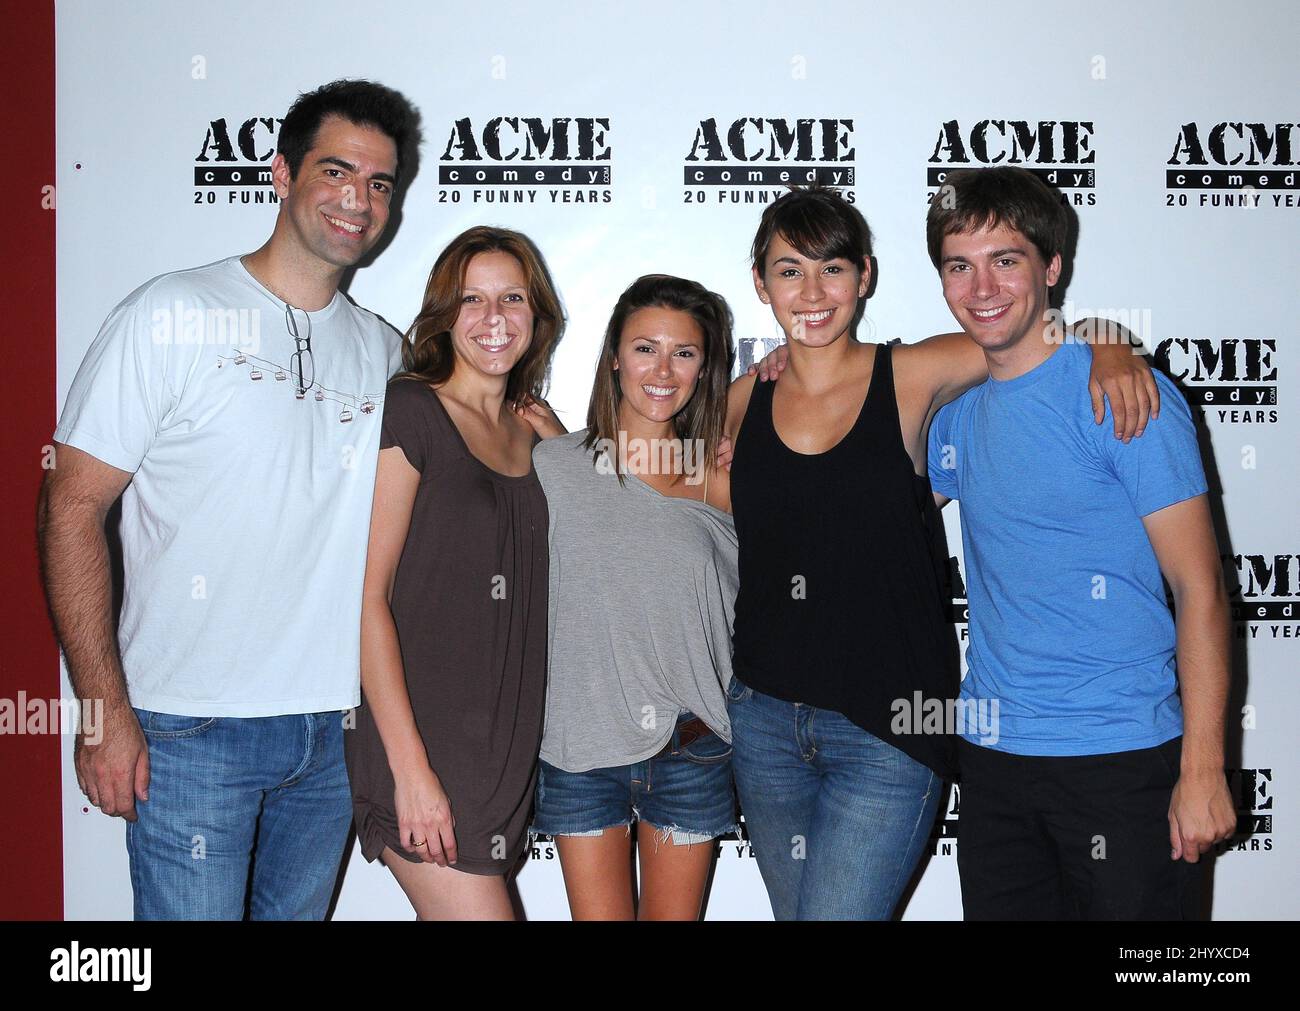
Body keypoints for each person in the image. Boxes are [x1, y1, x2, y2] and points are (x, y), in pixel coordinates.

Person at [37, 80, 421, 920]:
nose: (358, 201)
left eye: (380, 183)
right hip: (188, 728)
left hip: (332, 731)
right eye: (335, 171)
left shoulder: (386, 352)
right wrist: (101, 708)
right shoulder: (170, 313)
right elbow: (71, 507)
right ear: (281, 173)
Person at [727, 185, 1160, 920]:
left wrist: (1111, 340)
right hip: (764, 721)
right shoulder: (742, 400)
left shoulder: (915, 372)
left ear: (865, 275)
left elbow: (1032, 330)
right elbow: (661, 477)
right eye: (789, 270)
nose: (812, 291)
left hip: (890, 726)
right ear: (761, 284)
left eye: (832, 268)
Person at [924, 166, 1236, 919]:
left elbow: (1199, 588)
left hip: (1124, 761)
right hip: (995, 765)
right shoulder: (954, 417)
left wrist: (1203, 768)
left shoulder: (1126, 396)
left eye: (1006, 260)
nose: (982, 287)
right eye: (959, 266)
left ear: (1052, 267)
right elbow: (856, 509)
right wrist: (789, 369)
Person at [344, 226, 562, 920]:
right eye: (472, 298)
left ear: (537, 315)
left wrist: (563, 450)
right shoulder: (412, 408)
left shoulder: (535, 433)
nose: (494, 317)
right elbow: (367, 598)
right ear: (446, 313)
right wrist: (410, 772)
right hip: (422, 739)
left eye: (512, 298)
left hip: (502, 745)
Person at [521, 274, 739, 920]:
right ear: (614, 356)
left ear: (704, 367)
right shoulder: (550, 464)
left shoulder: (724, 477)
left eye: (684, 352)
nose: (663, 370)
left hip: (692, 749)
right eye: (645, 348)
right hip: (579, 752)